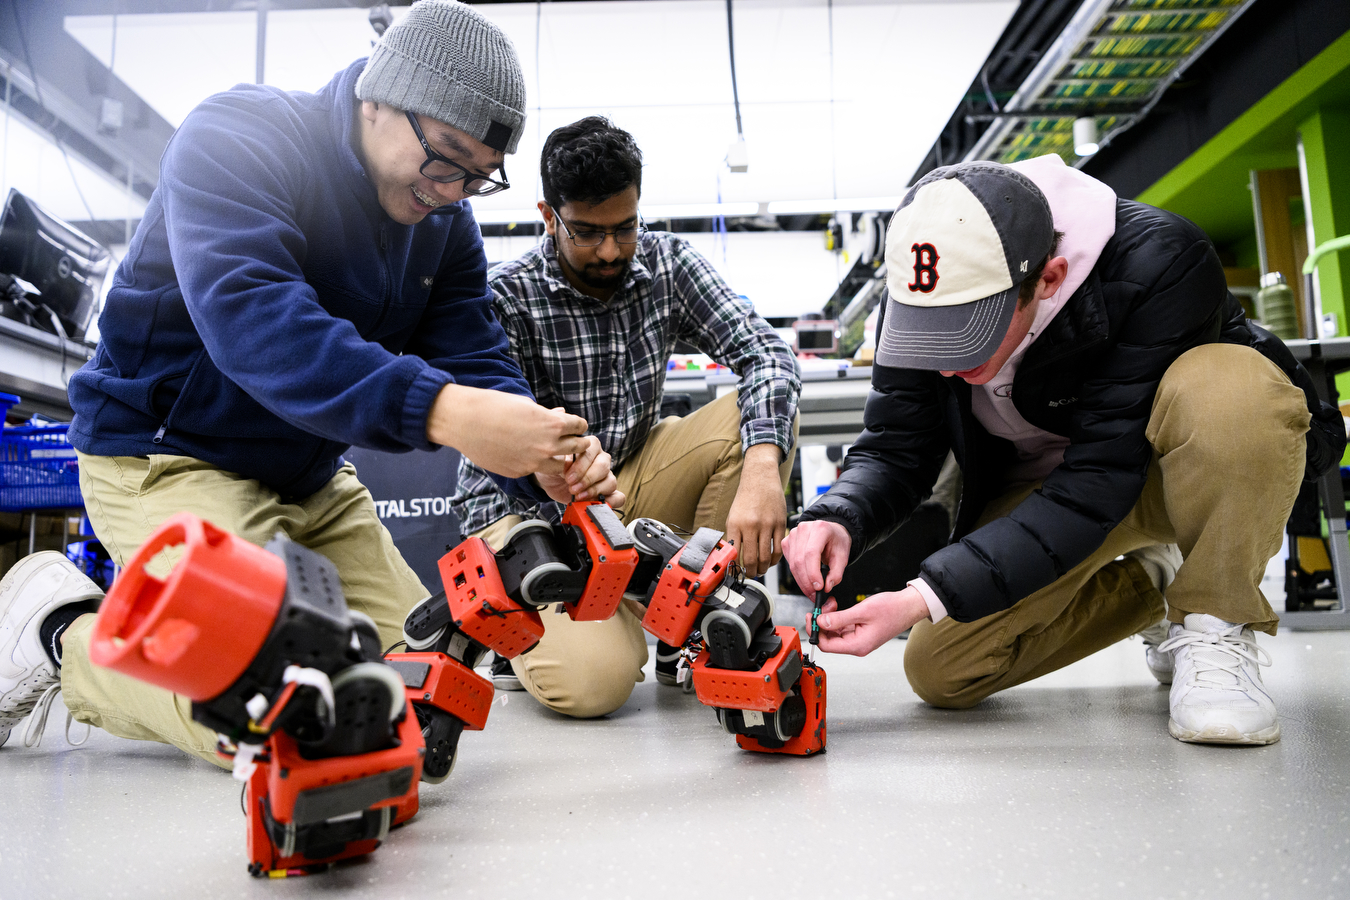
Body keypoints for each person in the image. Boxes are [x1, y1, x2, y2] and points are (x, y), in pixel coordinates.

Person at [0, 1, 619, 763]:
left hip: (312, 480)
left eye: (478, 177)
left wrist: (541, 459)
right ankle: (58, 634)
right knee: (274, 708)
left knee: (411, 696)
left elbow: (476, 357)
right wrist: (443, 412)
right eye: (445, 157)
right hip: (165, 458)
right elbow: (256, 321)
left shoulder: (443, 226)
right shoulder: (237, 138)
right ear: (378, 96)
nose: (454, 191)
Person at [783, 155, 1345, 746]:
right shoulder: (925, 282)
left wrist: (922, 595)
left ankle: (1216, 620)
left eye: (967, 329)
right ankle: (1156, 584)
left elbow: (1099, 476)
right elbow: (896, 446)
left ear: (1048, 280)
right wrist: (838, 516)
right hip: (1048, 488)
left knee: (1232, 386)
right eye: (930, 333)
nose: (944, 361)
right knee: (941, 668)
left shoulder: (1160, 261)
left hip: (1159, 473)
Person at [450, 117, 801, 718]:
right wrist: (553, 471)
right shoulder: (505, 297)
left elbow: (768, 356)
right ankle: (524, 640)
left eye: (625, 228)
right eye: (587, 233)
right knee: (595, 686)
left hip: (630, 482)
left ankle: (687, 629)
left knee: (755, 420)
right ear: (547, 214)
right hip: (529, 510)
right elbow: (492, 433)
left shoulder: (667, 266)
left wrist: (764, 469)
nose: (611, 251)